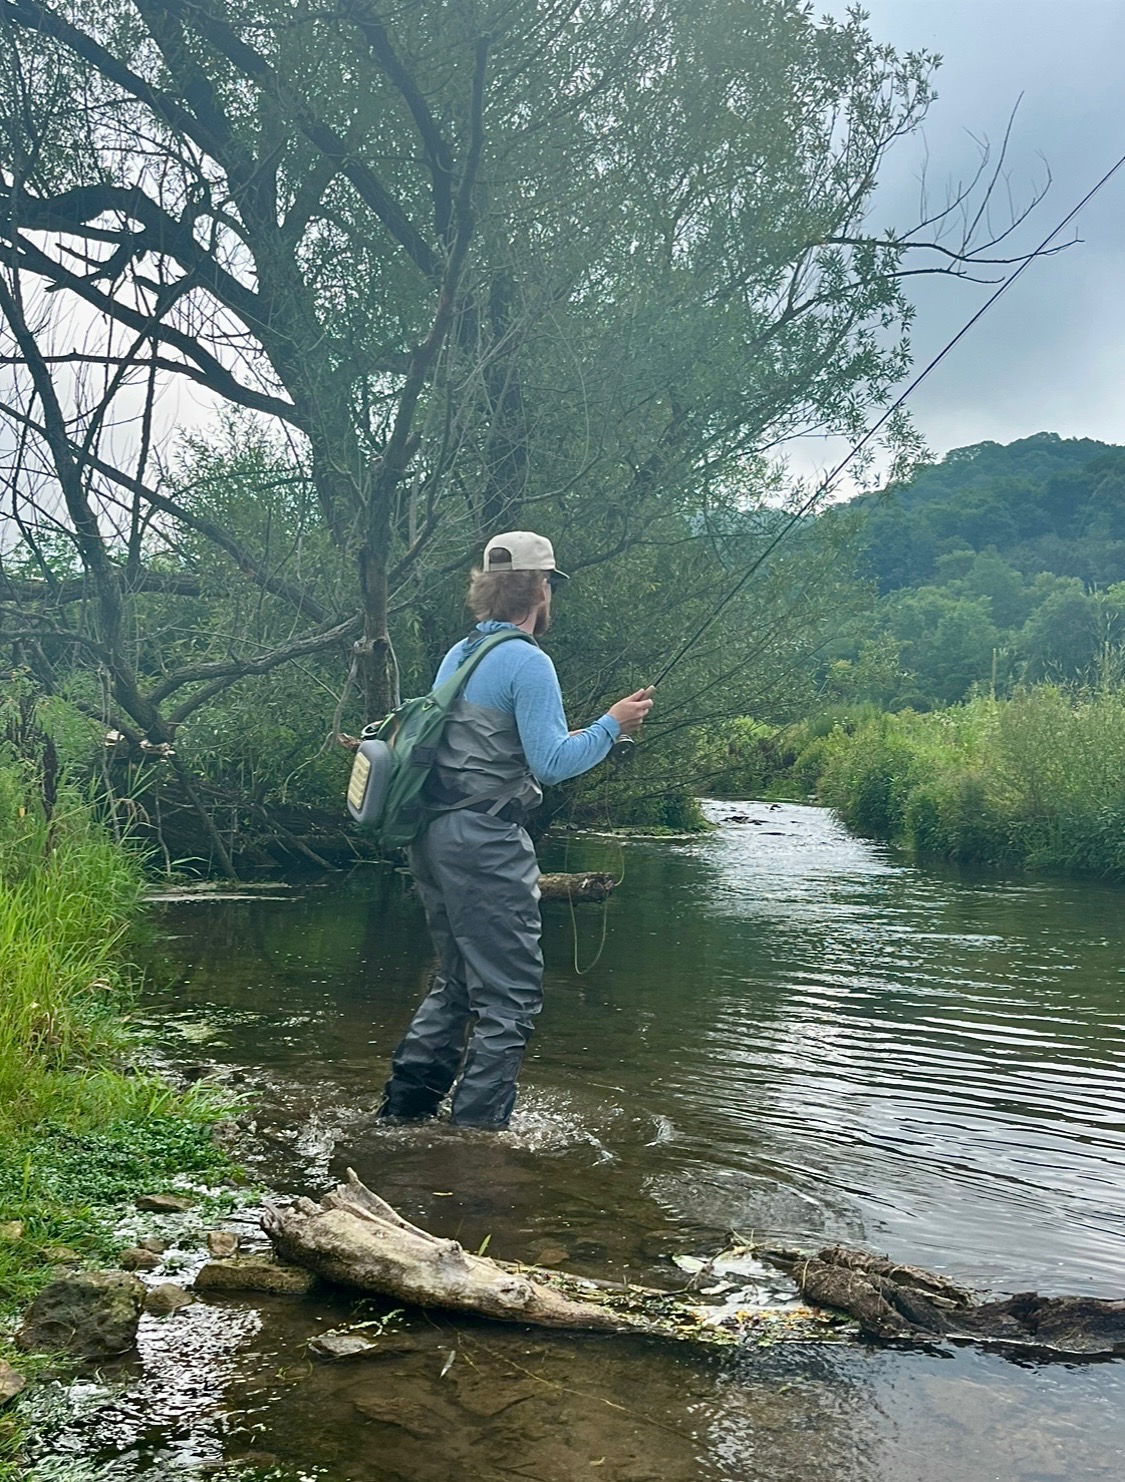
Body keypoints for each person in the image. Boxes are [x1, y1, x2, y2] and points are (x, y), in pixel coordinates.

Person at [378, 530, 653, 1130]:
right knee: (509, 1000)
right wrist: (612, 725)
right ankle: (475, 1140)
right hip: (483, 842)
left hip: (431, 836)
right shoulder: (528, 661)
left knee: (454, 983)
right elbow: (551, 763)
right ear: (541, 590)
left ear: (487, 589)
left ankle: (403, 1117)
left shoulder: (459, 654)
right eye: (550, 585)